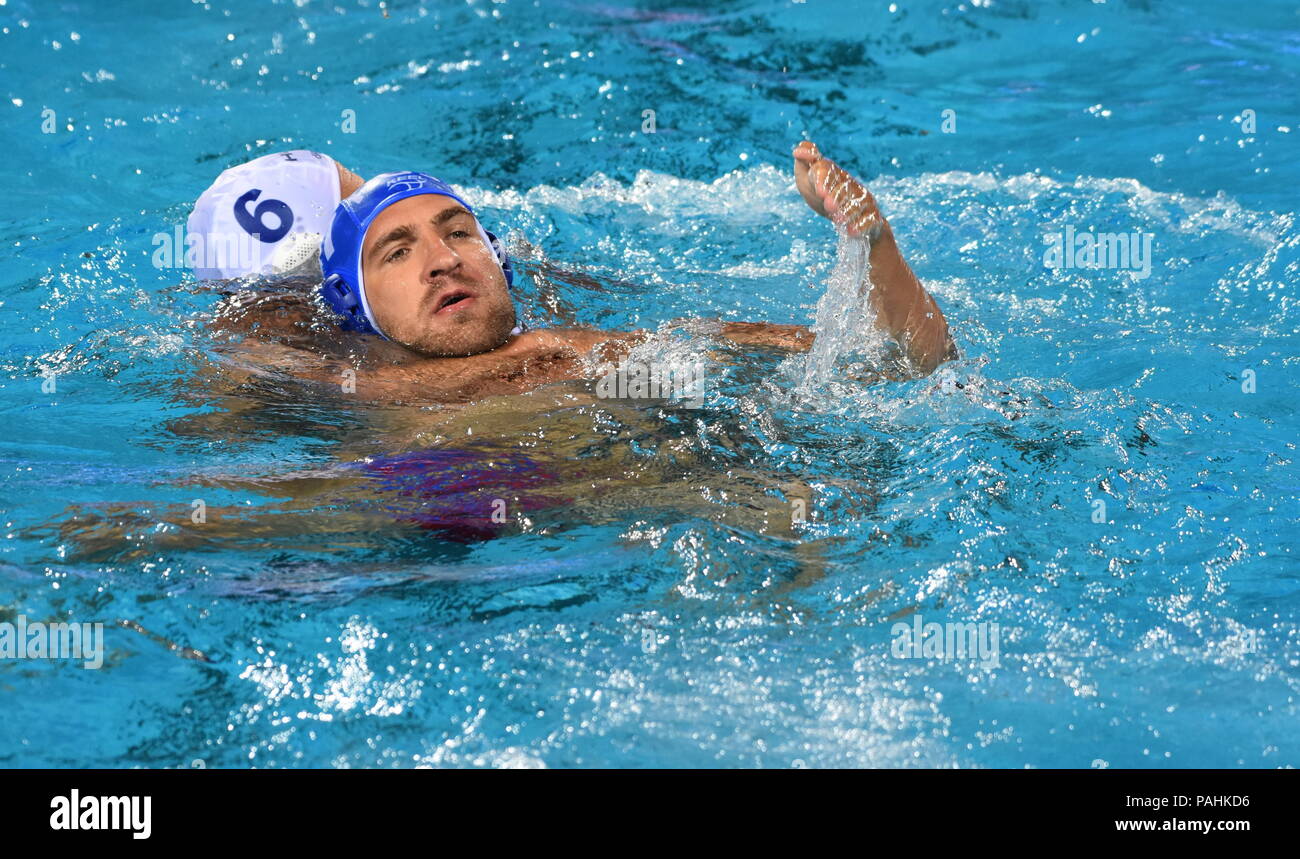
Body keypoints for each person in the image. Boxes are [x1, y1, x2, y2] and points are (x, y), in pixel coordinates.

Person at [188, 141, 956, 403]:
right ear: (346, 300)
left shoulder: (601, 345)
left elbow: (915, 371)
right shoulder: (333, 412)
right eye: (394, 249)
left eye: (459, 232)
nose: (441, 258)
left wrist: (872, 242)